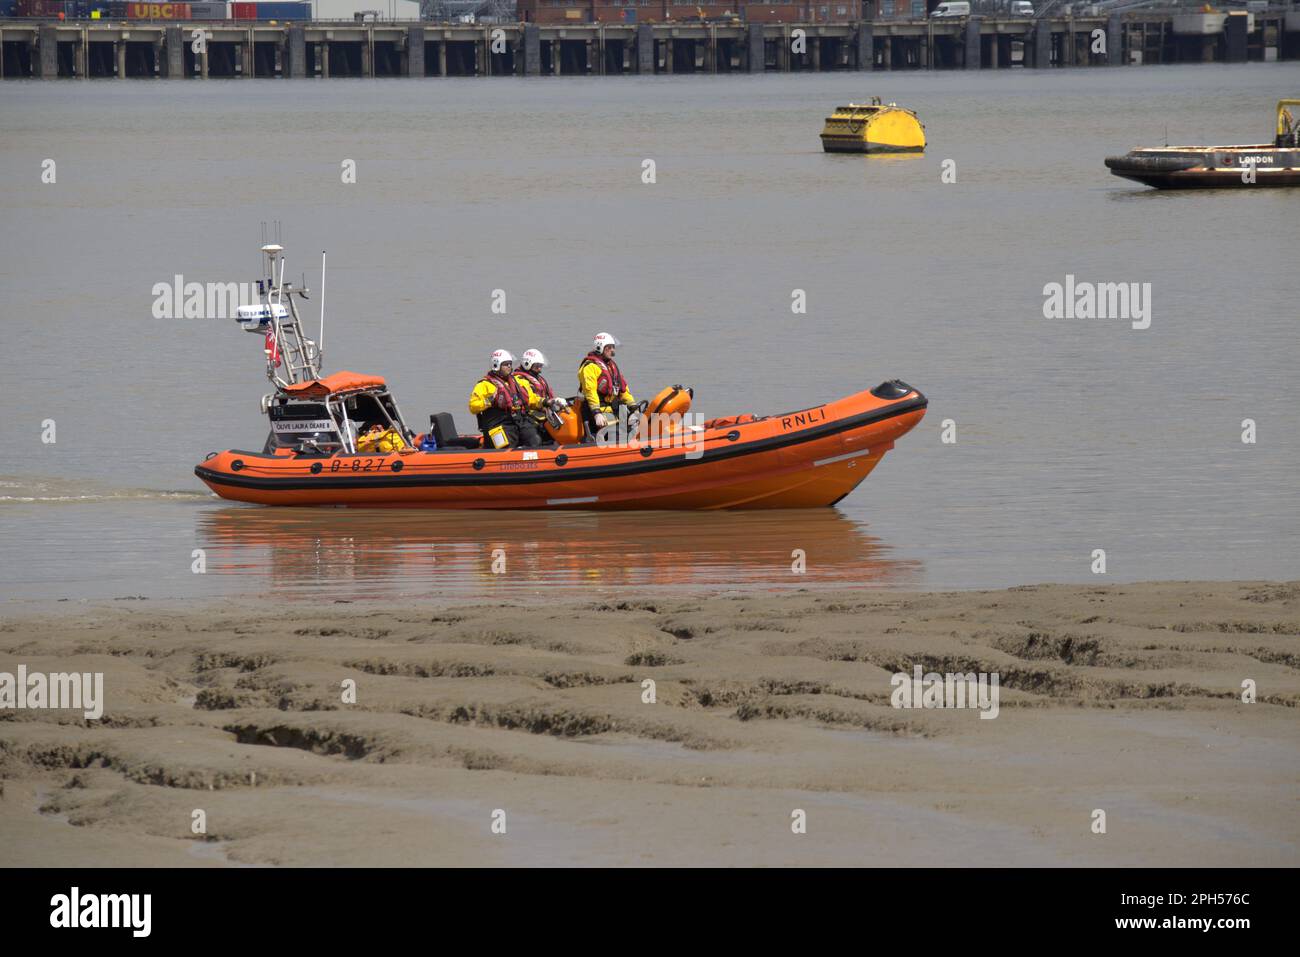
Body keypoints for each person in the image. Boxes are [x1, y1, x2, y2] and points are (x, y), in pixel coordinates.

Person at [468, 349, 531, 449]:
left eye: (510, 364)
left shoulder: (516, 382)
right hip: (496, 427)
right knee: (507, 445)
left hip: (515, 422)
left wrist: (544, 401)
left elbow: (531, 398)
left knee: (533, 438)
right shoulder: (484, 385)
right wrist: (489, 400)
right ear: (496, 365)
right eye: (506, 364)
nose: (509, 366)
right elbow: (473, 406)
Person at [578, 333, 635, 438]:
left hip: (613, 410)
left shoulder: (611, 366)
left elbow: (623, 389)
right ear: (599, 347)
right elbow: (590, 391)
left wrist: (633, 407)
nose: (612, 350)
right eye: (609, 347)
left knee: (634, 427)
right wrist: (596, 412)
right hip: (598, 412)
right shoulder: (590, 367)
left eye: (613, 347)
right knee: (619, 434)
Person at [513, 349, 568, 444]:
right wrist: (546, 401)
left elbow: (549, 394)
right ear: (527, 364)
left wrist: (557, 402)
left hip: (543, 416)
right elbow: (529, 399)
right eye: (537, 366)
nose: (539, 369)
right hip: (528, 417)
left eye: (540, 366)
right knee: (535, 440)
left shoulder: (538, 378)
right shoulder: (519, 380)